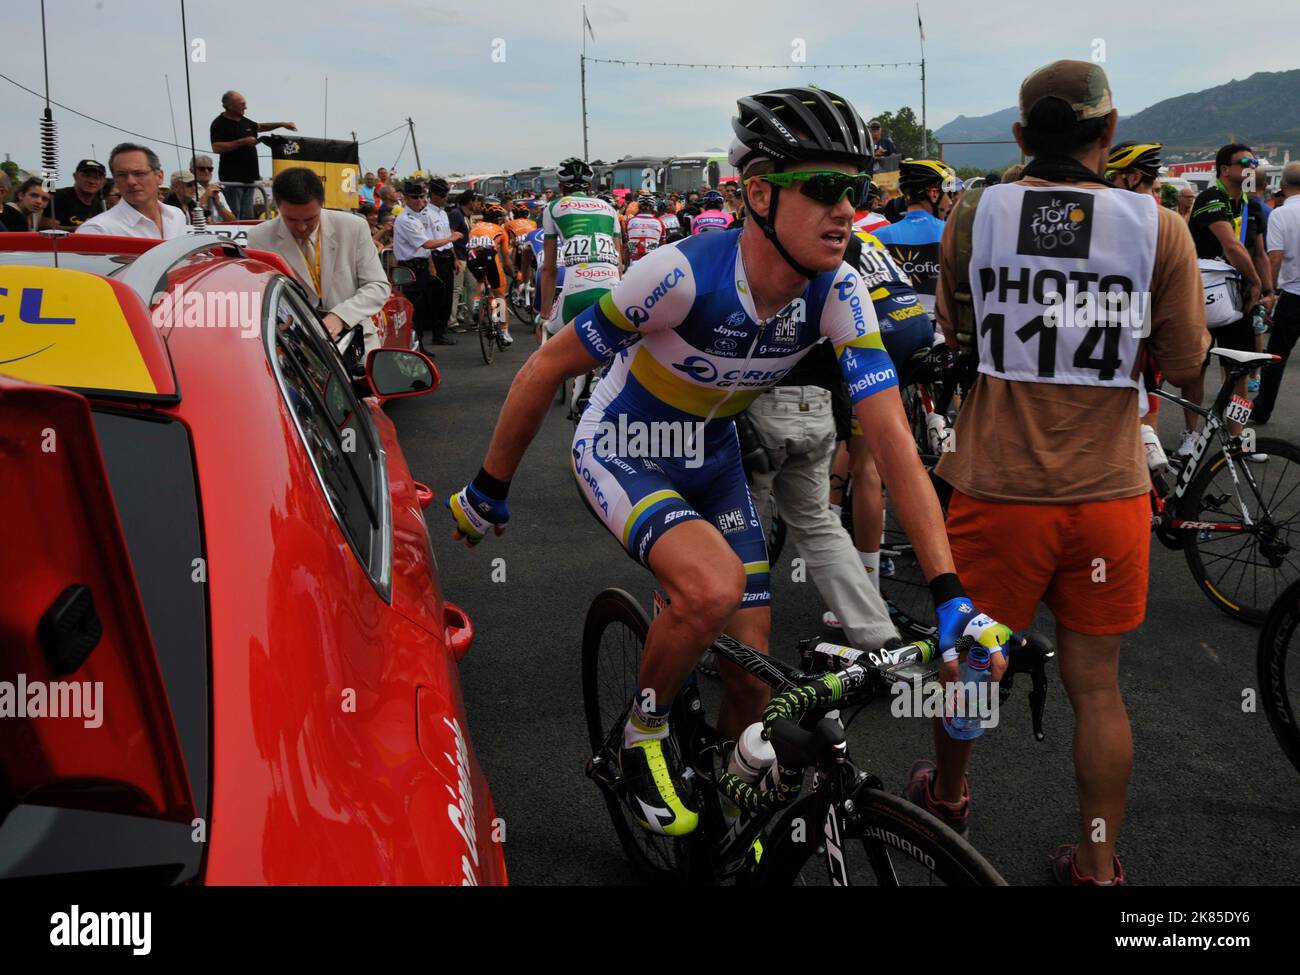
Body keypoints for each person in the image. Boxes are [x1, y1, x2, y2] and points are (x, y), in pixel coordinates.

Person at [447, 86, 1010, 839]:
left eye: (856, 188)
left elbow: (895, 446)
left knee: (752, 669)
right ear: (757, 194)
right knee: (710, 588)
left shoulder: (840, 289)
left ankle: (723, 798)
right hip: (626, 446)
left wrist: (950, 598)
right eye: (823, 188)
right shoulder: (678, 277)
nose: (847, 208)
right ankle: (641, 730)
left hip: (712, 458)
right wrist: (489, 488)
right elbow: (545, 366)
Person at [930, 59, 1207, 885]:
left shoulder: (974, 212)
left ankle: (947, 799)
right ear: (1109, 133)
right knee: (1098, 689)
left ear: (1020, 138)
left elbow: (957, 330)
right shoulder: (1159, 227)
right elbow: (1189, 363)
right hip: (1109, 493)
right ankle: (1096, 865)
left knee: (969, 666)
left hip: (996, 486)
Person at [1177, 144, 1272, 453]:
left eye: (1253, 162)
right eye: (1243, 161)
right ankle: (1191, 435)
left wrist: (1267, 291)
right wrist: (1255, 281)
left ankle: (1236, 436)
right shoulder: (1210, 199)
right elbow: (1231, 246)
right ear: (1223, 170)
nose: (1250, 166)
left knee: (1241, 373)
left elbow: (1259, 252)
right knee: (1196, 370)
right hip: (1201, 296)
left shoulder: (1251, 206)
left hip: (1238, 300)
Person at [245, 167, 390, 353]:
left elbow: (378, 286)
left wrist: (340, 316)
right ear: (277, 207)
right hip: (295, 348)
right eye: (291, 220)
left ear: (322, 204)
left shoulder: (353, 227)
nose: (302, 227)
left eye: (310, 218)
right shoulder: (260, 237)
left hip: (355, 339)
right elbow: (260, 296)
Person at [537, 157, 622, 341]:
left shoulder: (552, 208)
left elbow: (549, 269)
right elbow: (619, 264)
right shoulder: (610, 208)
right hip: (612, 289)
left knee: (546, 332)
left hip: (576, 289)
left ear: (561, 187)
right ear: (589, 187)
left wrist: (544, 314)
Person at [872, 159, 958, 315]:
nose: (951, 201)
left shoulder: (876, 237)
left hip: (896, 330)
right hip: (943, 330)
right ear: (934, 193)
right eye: (949, 194)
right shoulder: (954, 233)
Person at [1255, 161, 1300, 424]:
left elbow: (1274, 258)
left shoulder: (1281, 214)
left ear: (1282, 186)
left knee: (1277, 357)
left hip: (1292, 294)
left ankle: (1263, 408)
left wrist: (1268, 293)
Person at [393, 180, 461, 349]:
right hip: (412, 267)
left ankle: (421, 345)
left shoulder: (419, 216)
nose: (419, 200)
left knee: (429, 305)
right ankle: (417, 346)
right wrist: (451, 239)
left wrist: (450, 257)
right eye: (415, 197)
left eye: (421, 196)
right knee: (416, 309)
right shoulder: (407, 219)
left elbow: (427, 248)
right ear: (406, 198)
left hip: (424, 263)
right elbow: (428, 244)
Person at [209, 90, 296, 219]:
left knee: (247, 217)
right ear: (230, 105)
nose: (246, 107)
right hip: (232, 180)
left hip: (249, 180)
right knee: (234, 216)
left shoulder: (245, 122)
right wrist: (243, 141)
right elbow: (216, 147)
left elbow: (260, 127)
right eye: (242, 104)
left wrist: (282, 124)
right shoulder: (219, 123)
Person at [76, 143, 187, 239]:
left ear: (159, 176)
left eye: (139, 173)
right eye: (121, 175)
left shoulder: (177, 216)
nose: (131, 181)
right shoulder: (97, 230)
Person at [465, 203, 515, 344]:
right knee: (499, 295)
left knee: (481, 280)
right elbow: (506, 260)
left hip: (472, 257)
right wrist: (512, 274)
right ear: (498, 219)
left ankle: (476, 304)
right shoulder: (500, 230)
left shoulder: (474, 227)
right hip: (488, 257)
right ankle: (504, 331)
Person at [41, 158, 107, 230]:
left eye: (97, 178)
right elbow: (46, 228)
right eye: (87, 176)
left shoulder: (101, 206)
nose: (91, 181)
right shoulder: (58, 196)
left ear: (103, 183)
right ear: (75, 176)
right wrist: (78, 229)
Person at [190, 154, 235, 223]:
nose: (207, 171)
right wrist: (206, 194)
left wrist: (218, 203)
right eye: (202, 169)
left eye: (210, 169)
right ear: (192, 171)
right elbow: (192, 215)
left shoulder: (217, 191)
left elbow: (232, 220)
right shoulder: (189, 189)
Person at [624, 193, 666, 263]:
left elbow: (627, 246)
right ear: (653, 206)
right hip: (652, 262)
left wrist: (625, 266)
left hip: (634, 261)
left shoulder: (629, 222)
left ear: (639, 206)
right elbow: (662, 247)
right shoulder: (659, 223)